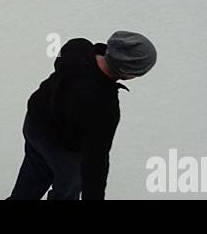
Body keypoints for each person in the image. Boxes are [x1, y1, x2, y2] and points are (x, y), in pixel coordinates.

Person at [8, 32, 157, 200]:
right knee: (66, 192)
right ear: (126, 72)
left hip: (36, 125)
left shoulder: (76, 48)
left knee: (34, 174)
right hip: (65, 151)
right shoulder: (104, 106)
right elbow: (95, 162)